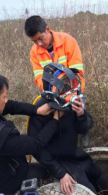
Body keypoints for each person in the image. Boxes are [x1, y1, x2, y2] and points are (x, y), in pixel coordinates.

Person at [0, 71, 64, 195]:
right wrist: (56, 119)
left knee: (23, 139)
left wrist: (36, 110)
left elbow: (10, 106)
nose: (6, 100)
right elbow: (37, 144)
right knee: (46, 171)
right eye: (4, 97)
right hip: (4, 181)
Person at [24, 15, 89, 148]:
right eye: (34, 41)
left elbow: (78, 73)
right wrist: (54, 93)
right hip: (53, 92)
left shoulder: (68, 41)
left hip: (73, 89)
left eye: (40, 38)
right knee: (55, 115)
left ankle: (84, 132)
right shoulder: (34, 52)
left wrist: (71, 94)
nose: (39, 44)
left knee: (80, 110)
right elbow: (39, 77)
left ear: (47, 29)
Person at [27, 96, 108, 195]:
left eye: (71, 82)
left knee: (99, 177)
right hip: (56, 161)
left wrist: (81, 115)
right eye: (63, 82)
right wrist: (60, 172)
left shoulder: (72, 101)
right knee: (90, 192)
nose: (68, 86)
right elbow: (36, 148)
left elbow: (83, 129)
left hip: (74, 154)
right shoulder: (42, 108)